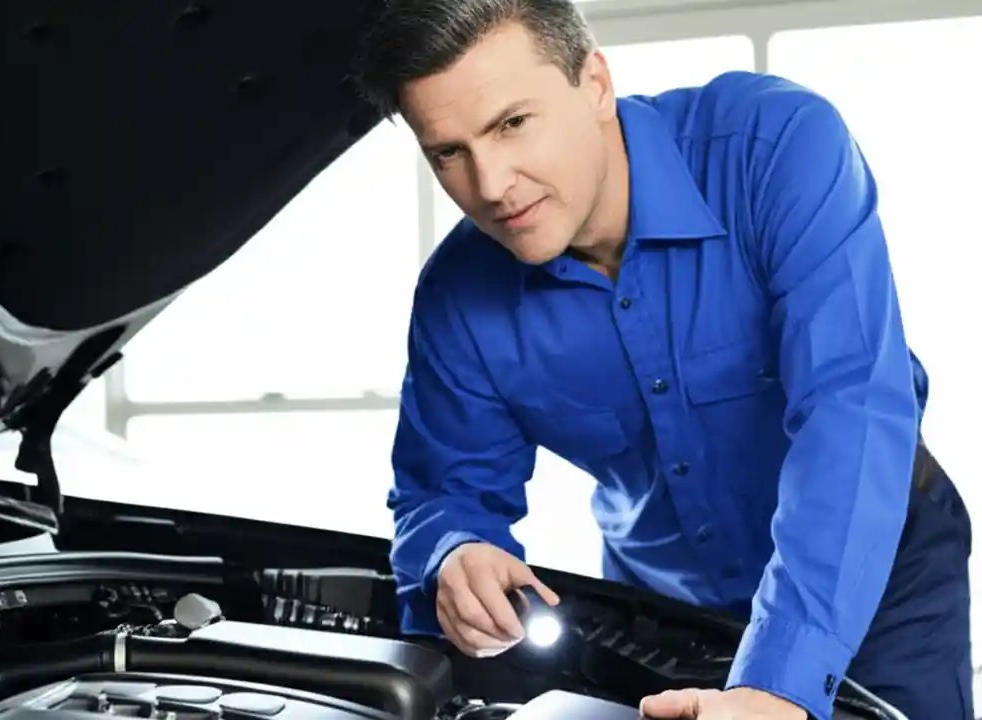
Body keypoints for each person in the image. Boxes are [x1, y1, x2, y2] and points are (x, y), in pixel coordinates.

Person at [351, 1, 973, 719]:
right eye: (448, 153)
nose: (490, 185)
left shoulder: (775, 149)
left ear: (594, 84)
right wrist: (455, 552)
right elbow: (443, 493)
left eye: (512, 123)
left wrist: (775, 682)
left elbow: (850, 407)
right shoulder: (457, 297)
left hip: (878, 576)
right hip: (664, 608)